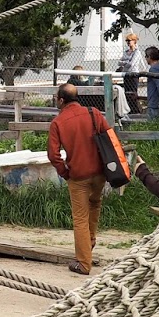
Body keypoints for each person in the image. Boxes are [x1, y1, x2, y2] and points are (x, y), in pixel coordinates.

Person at [47, 82, 107, 276]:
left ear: (61, 100)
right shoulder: (93, 113)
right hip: (100, 172)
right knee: (95, 204)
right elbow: (109, 138)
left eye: (57, 97)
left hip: (78, 176)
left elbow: (53, 155)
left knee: (80, 218)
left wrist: (65, 172)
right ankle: (89, 243)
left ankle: (83, 263)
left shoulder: (58, 122)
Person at [116, 32, 145, 115]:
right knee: (127, 92)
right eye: (126, 41)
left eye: (129, 40)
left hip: (134, 75)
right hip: (126, 74)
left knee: (133, 92)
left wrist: (125, 62)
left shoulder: (137, 52)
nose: (128, 42)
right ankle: (129, 109)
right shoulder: (126, 52)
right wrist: (126, 62)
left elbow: (131, 64)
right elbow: (119, 62)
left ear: (134, 41)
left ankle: (135, 110)